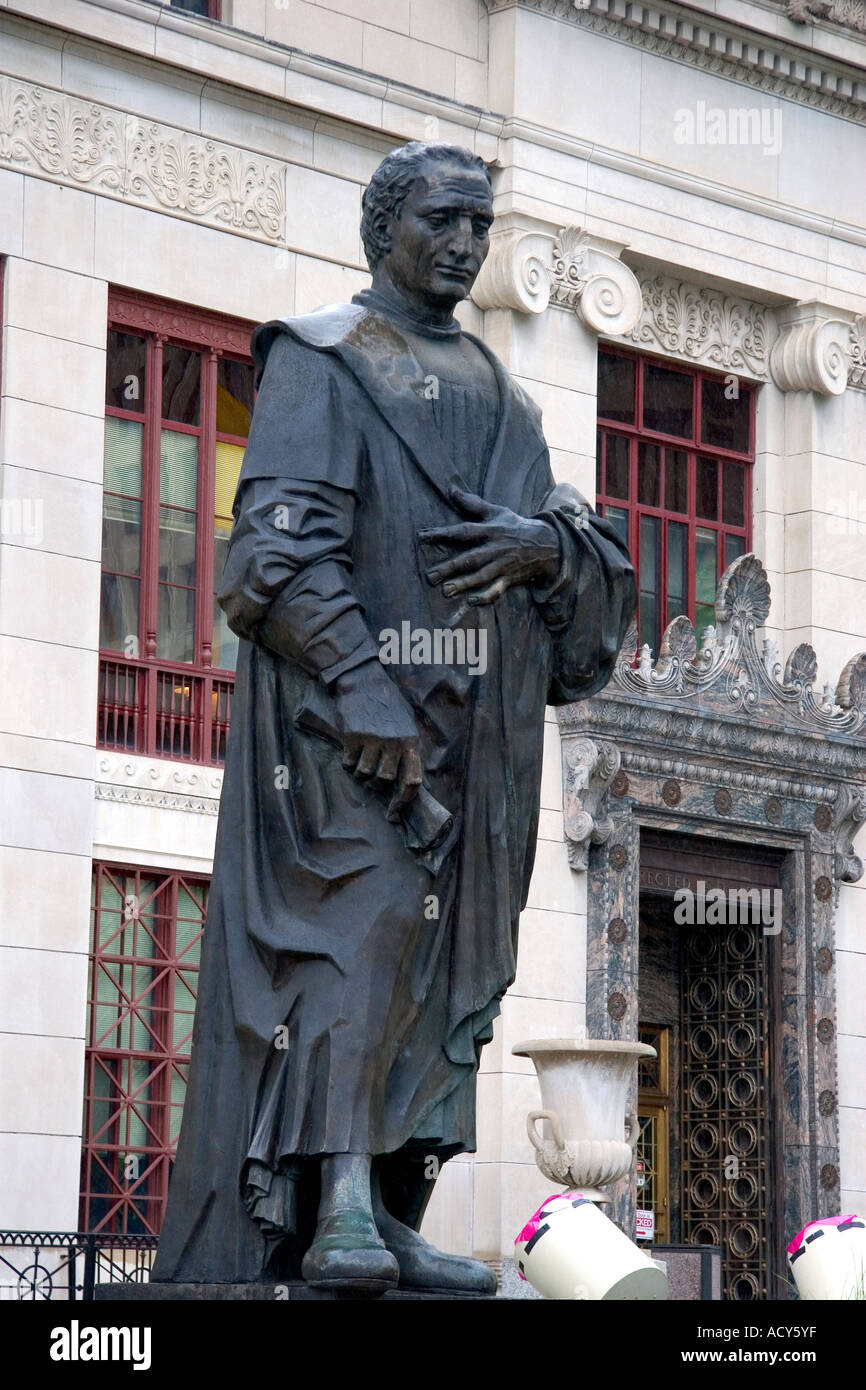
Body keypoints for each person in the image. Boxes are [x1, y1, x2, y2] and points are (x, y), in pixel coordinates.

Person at [152, 141, 636, 1296]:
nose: (467, 241)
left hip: (484, 757)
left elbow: (586, 591)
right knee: (357, 937)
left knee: (453, 967)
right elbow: (271, 554)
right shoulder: (320, 361)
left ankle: (397, 1200)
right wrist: (363, 685)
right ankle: (338, 1207)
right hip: (347, 740)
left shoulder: (505, 397)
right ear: (383, 231)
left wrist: (547, 551)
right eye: (443, 218)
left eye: (480, 221)